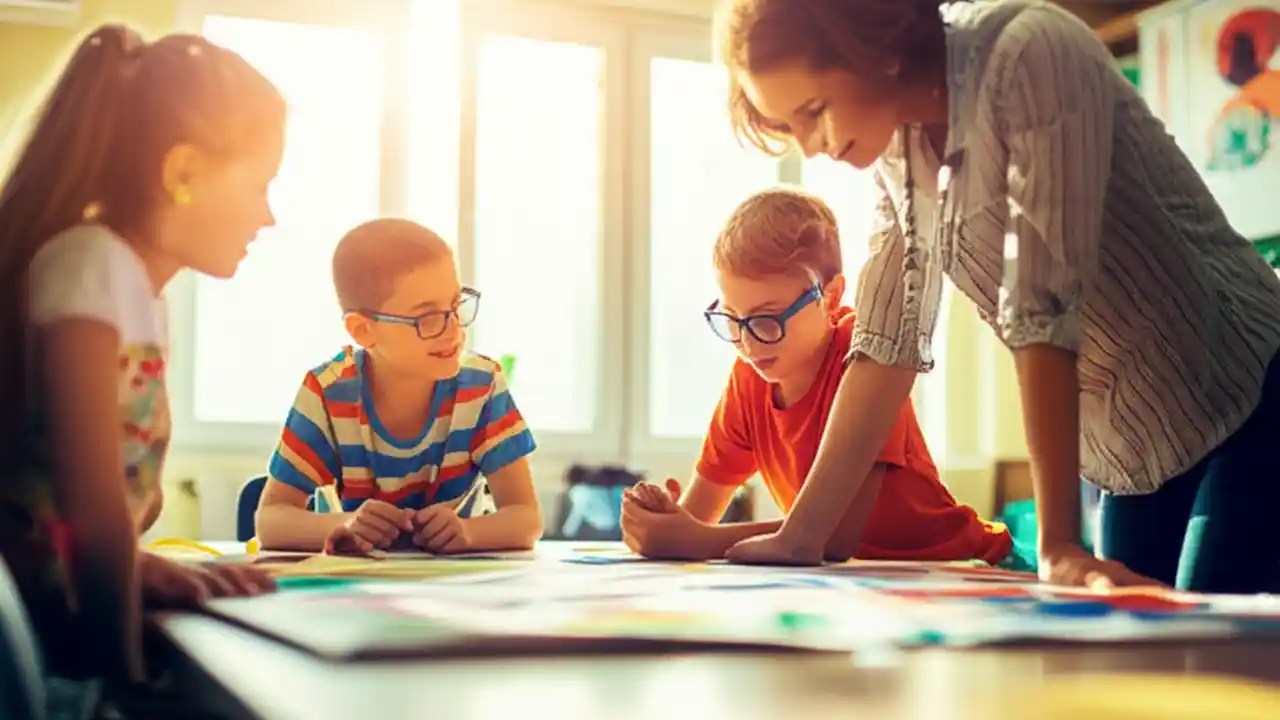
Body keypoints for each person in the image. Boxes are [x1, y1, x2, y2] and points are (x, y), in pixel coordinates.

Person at [713, 0, 1280, 592]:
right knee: (1123, 639)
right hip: (1129, 447)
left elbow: (1044, 301)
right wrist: (803, 532)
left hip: (1249, 388)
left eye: (814, 111)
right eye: (791, 126)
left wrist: (1057, 544)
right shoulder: (897, 152)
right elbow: (885, 341)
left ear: (873, 49)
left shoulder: (1030, 51)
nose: (810, 147)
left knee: (1209, 632)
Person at [0, 25, 284, 683]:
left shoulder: (131, 290)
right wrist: (124, 681)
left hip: (57, 637)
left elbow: (78, 517)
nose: (267, 216)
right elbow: (93, 515)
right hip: (48, 663)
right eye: (259, 185)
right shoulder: (91, 266)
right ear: (183, 173)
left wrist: (139, 567)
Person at [620, 187, 1012, 565]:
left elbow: (836, 535)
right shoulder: (750, 377)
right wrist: (664, 522)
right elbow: (697, 518)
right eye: (733, 319)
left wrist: (699, 540)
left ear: (830, 295)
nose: (749, 343)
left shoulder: (866, 359)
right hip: (864, 579)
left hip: (958, 558)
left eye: (767, 318)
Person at [255, 219, 542, 555]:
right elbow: (270, 522)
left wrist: (470, 532)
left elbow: (527, 519)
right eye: (427, 317)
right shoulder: (327, 393)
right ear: (363, 331)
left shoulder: (482, 387)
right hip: (357, 580)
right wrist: (345, 524)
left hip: (455, 580)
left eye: (455, 306)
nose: (454, 330)